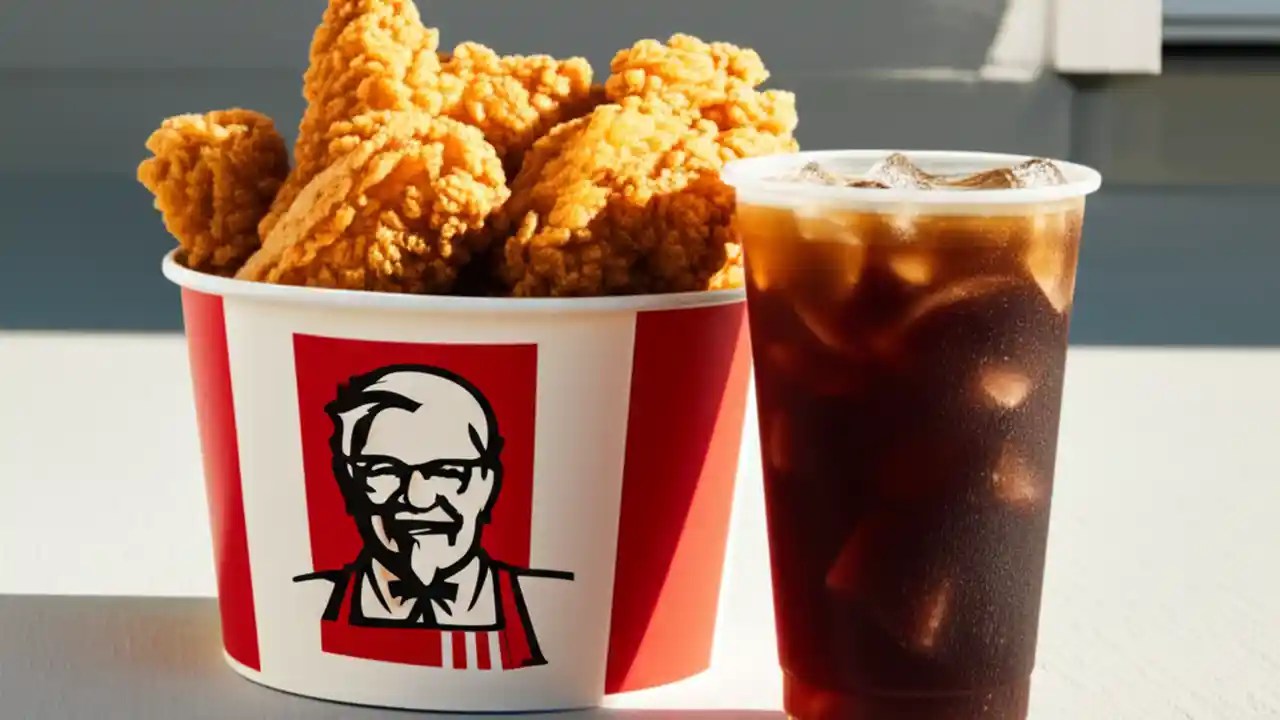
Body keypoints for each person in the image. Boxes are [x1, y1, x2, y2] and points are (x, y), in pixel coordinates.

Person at [295, 365, 571, 669]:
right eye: (384, 470)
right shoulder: (307, 601)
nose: (418, 498)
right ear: (351, 483)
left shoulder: (550, 605)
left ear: (486, 484)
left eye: (447, 472)